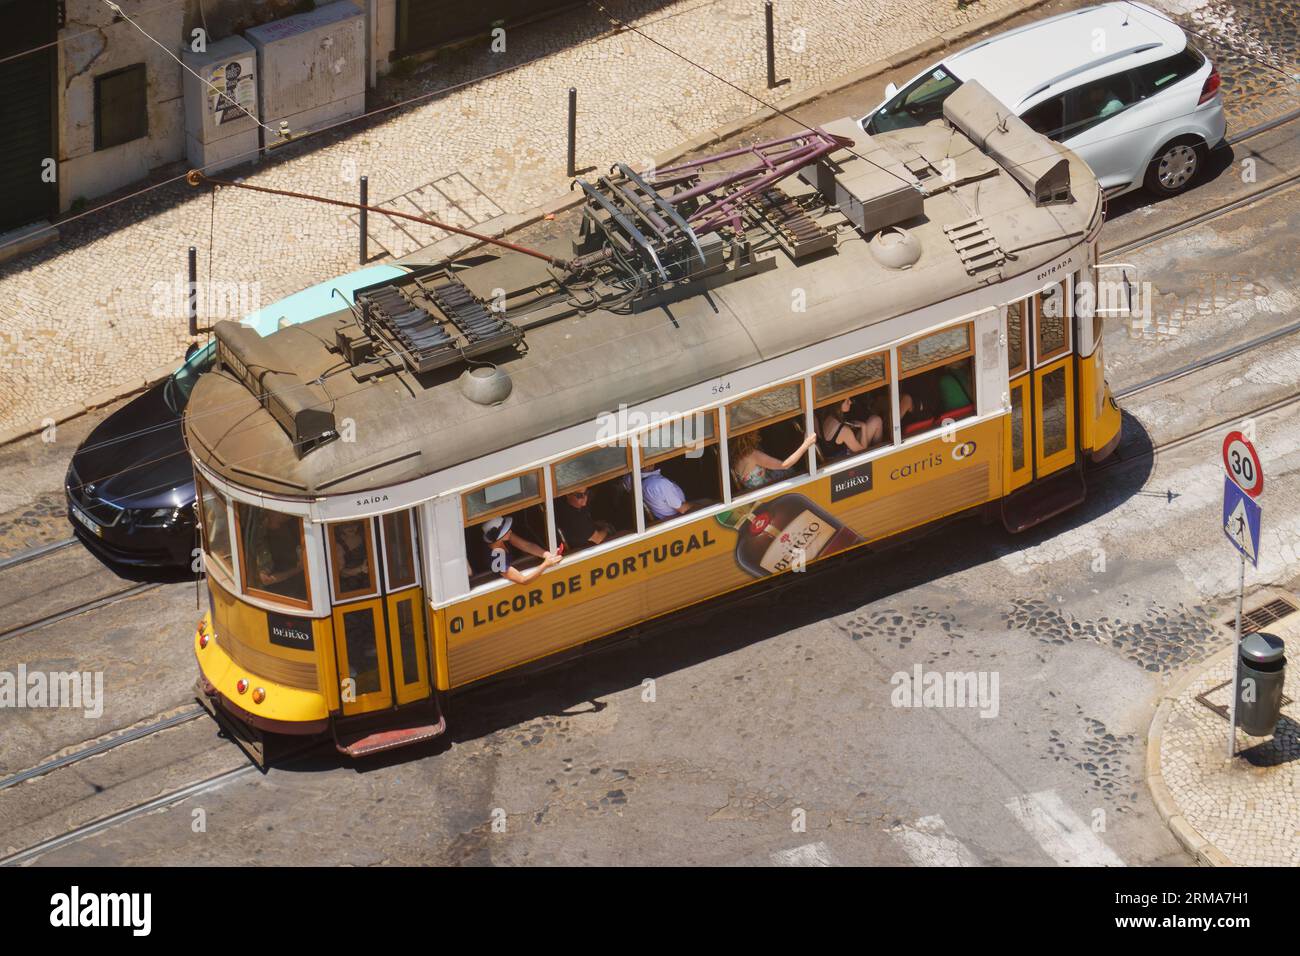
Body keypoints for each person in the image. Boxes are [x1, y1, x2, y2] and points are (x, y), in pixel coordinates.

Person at [482, 515, 561, 584]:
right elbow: (523, 580)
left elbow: (527, 546)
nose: (510, 531)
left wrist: (547, 555)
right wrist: (546, 564)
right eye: (506, 530)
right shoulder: (496, 560)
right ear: (498, 536)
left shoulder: (505, 537)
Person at [729, 429, 816, 491]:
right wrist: (806, 444)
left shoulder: (735, 456)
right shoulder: (752, 455)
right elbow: (785, 465)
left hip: (756, 491)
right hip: (770, 488)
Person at [818, 397, 884, 455]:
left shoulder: (829, 417)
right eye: (847, 401)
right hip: (848, 458)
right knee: (877, 422)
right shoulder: (844, 431)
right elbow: (862, 453)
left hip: (838, 452)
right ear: (839, 404)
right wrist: (863, 427)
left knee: (876, 420)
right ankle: (879, 455)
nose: (850, 402)